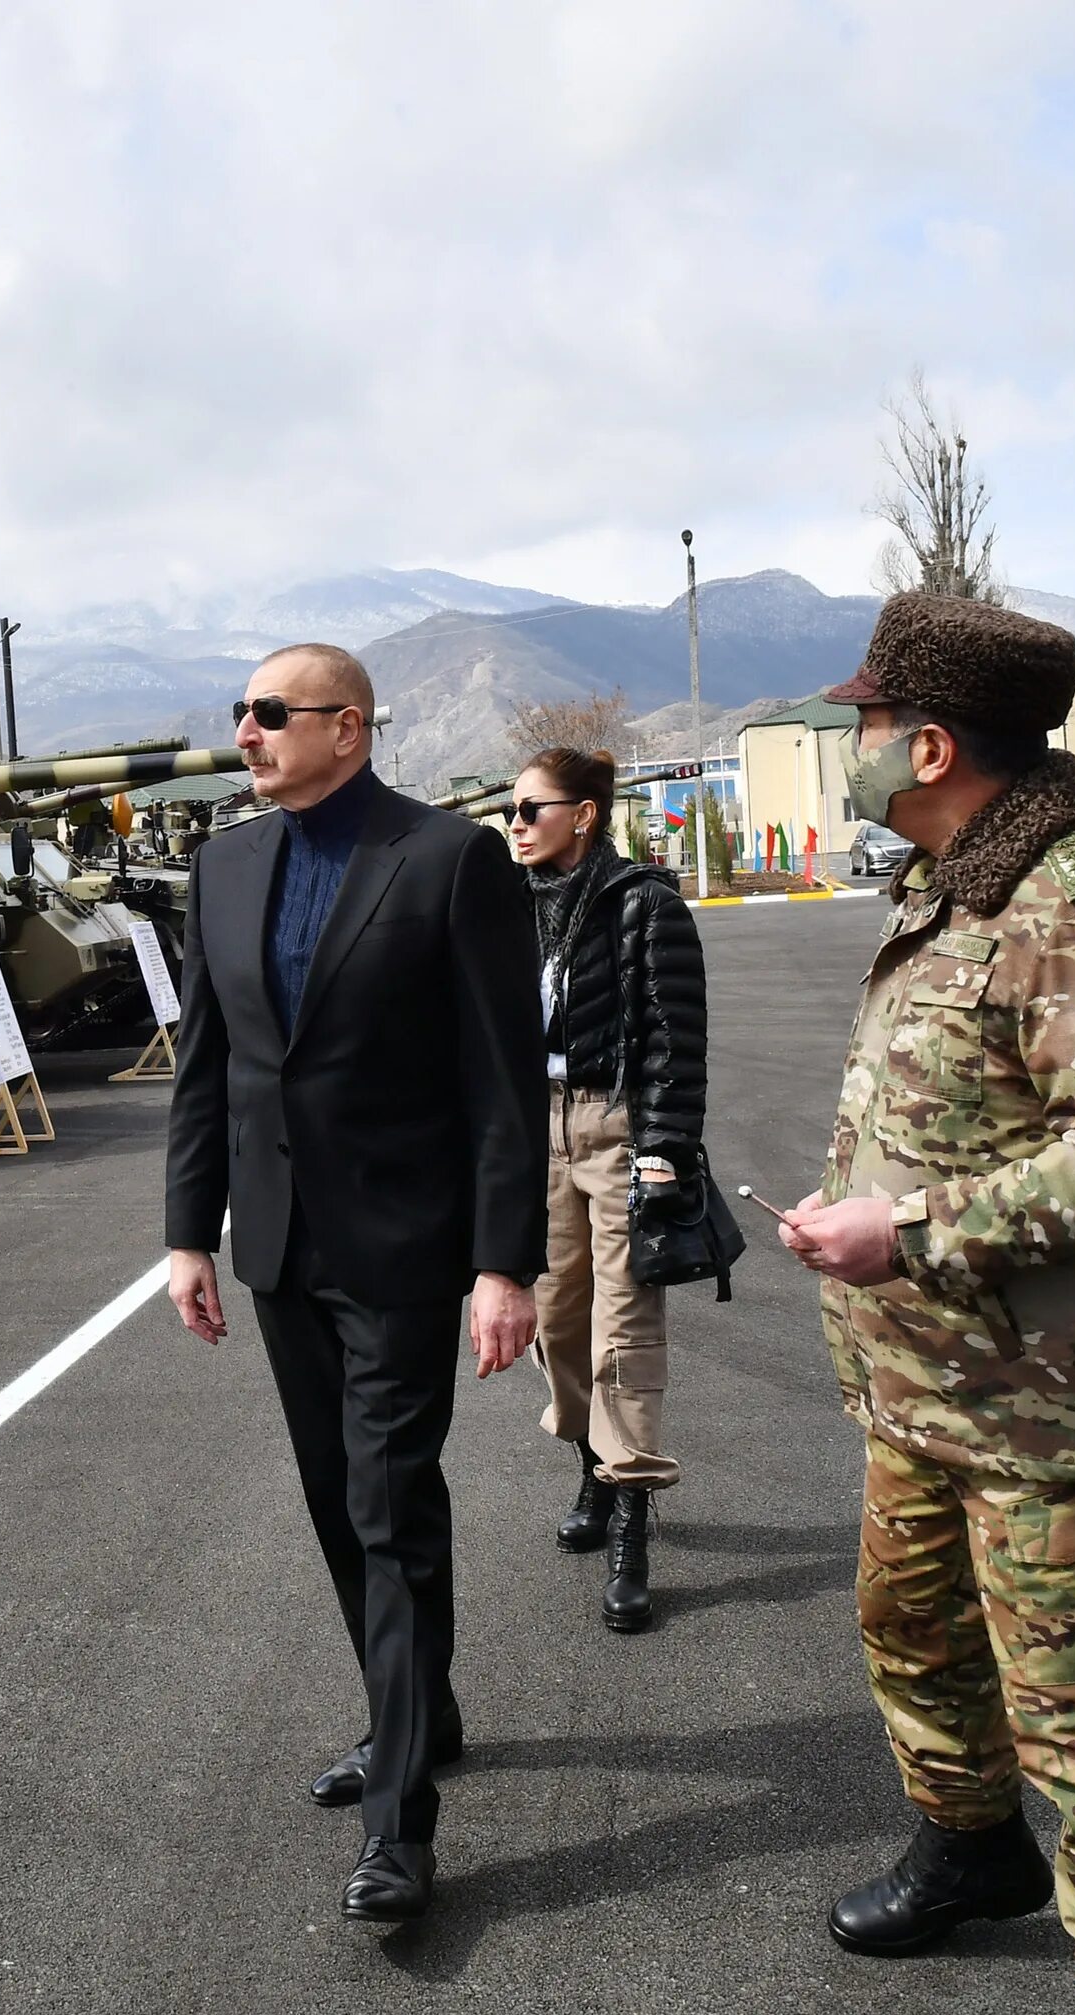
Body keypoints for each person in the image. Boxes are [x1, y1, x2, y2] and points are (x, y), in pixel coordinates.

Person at [775, 592, 1075, 2015]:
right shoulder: (952, 884)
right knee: (910, 1637)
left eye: (857, 723)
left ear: (924, 748)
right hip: (929, 1394)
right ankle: (971, 1855)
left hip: (1062, 1424)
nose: (841, 742)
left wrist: (902, 1223)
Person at [164, 642, 547, 1926]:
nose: (247, 734)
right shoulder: (219, 867)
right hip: (276, 1249)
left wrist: (504, 1264)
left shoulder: (445, 858)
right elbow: (209, 1069)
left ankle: (399, 1825)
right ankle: (419, 1716)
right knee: (335, 1500)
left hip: (399, 1251)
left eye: (270, 715)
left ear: (349, 727)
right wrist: (186, 1234)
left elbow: (501, 1083)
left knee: (389, 1507)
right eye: (240, 714)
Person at [504, 746, 708, 1632]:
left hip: (617, 1125)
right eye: (510, 809)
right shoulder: (512, 908)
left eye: (531, 808)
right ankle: (591, 1460)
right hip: (533, 1130)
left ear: (584, 813)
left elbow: (675, 1036)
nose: (515, 823)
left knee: (623, 1324)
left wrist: (663, 1151)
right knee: (554, 1317)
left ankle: (630, 1515)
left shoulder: (643, 904)